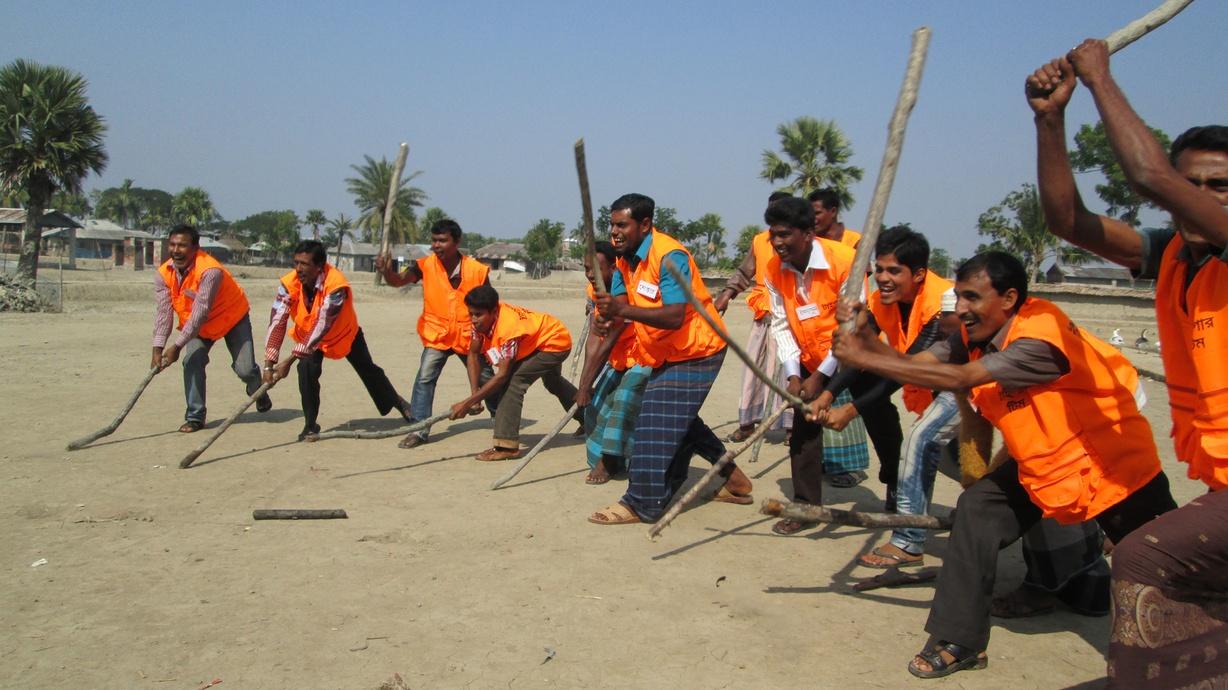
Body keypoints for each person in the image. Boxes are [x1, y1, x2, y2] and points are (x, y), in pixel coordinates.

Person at [831, 251, 1177, 679]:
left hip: (1112, 466)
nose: (961, 309)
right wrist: (866, 335)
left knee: (1169, 567)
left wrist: (865, 357)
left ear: (1010, 297)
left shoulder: (1040, 338)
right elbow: (914, 366)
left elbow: (961, 379)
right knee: (978, 509)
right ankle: (961, 640)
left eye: (972, 298)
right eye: (958, 297)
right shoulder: (973, 334)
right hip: (1041, 462)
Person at [1027, 40, 1228, 687]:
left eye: (1218, 186)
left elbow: (1151, 178)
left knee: (1143, 557)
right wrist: (1049, 120)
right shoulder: (1173, 254)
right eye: (1190, 183)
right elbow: (1068, 221)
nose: (1200, 197)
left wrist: (1099, 79)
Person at [588, 193, 753, 525]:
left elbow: (676, 315)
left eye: (622, 225)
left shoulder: (669, 256)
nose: (614, 232)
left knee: (653, 418)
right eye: (611, 225)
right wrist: (606, 316)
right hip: (666, 352)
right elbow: (621, 305)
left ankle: (642, 503)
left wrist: (621, 309)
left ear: (645, 224)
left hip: (698, 349)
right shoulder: (623, 260)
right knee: (680, 419)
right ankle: (735, 481)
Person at [809, 226, 957, 562]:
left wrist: (851, 411)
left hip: (965, 389)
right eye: (879, 269)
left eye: (894, 271)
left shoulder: (942, 307)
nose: (883, 278)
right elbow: (863, 357)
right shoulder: (880, 299)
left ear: (918, 274)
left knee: (919, 446)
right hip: (933, 385)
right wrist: (829, 394)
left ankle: (908, 540)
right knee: (959, 465)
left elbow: (906, 370)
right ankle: (907, 497)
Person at [757, 196, 861, 535]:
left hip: (857, 353)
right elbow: (782, 323)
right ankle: (806, 506)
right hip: (805, 355)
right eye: (773, 234)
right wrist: (792, 375)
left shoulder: (844, 261)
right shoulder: (774, 268)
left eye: (785, 234)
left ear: (808, 233)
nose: (778, 242)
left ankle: (894, 484)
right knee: (803, 426)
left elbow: (852, 327)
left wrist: (819, 377)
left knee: (878, 415)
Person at [263, 240, 411, 441]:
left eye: (304, 264)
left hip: (344, 333)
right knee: (306, 371)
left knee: (369, 370)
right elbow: (277, 322)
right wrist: (268, 366)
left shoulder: (335, 285)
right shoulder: (288, 284)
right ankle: (310, 424)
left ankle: (399, 403)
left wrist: (288, 362)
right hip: (308, 338)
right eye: (296, 263)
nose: (298, 269)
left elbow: (321, 325)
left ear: (319, 266)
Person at [375, 219, 491, 449]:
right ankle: (419, 430)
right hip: (437, 334)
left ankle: (502, 421)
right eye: (434, 240)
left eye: (442, 240)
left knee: (488, 378)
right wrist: (387, 271)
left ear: (456, 242)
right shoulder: (423, 265)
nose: (436, 245)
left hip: (469, 335)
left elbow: (489, 305)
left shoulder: (477, 270)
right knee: (425, 378)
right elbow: (398, 281)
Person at [152, 223, 271, 432]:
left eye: (182, 245)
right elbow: (164, 313)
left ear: (195, 248)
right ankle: (195, 417)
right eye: (172, 244)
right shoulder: (164, 274)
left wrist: (177, 346)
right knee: (192, 361)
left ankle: (257, 390)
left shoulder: (210, 271)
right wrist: (158, 348)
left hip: (232, 318)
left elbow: (200, 312)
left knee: (245, 369)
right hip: (199, 328)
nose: (176, 250)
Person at [447, 285, 581, 461]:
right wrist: (474, 395)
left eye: (478, 314)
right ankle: (590, 419)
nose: (473, 319)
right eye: (471, 314)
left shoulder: (508, 329)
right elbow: (473, 353)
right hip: (533, 341)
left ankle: (507, 446)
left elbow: (502, 376)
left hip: (554, 342)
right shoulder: (479, 322)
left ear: (494, 311)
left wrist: (466, 403)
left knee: (514, 383)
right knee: (553, 383)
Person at [711, 191, 795, 443]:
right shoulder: (760, 240)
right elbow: (745, 271)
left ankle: (791, 427)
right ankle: (747, 423)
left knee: (785, 372)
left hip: (789, 316)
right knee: (754, 370)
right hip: (763, 313)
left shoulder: (797, 241)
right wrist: (727, 294)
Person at [808, 188, 878, 485]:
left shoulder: (853, 242)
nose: (813, 219)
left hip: (850, 325)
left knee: (843, 392)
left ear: (833, 211)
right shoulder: (811, 243)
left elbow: (864, 273)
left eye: (818, 213)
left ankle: (846, 467)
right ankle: (824, 461)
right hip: (816, 328)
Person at [575, 241, 649, 484]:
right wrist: (585, 383)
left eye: (595, 270)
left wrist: (586, 385)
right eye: (586, 269)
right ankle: (618, 459)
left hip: (643, 352)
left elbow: (609, 338)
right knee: (594, 406)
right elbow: (595, 341)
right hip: (619, 356)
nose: (589, 275)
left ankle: (608, 462)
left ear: (613, 269)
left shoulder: (624, 290)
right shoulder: (594, 292)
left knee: (622, 401)